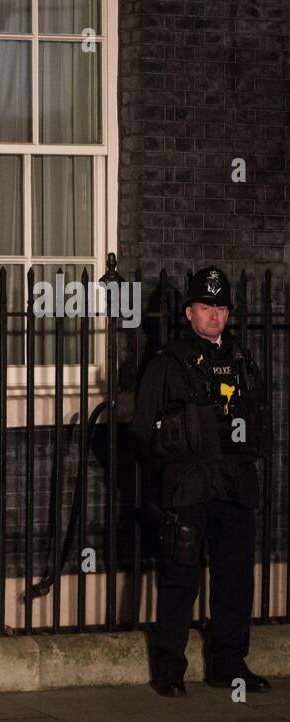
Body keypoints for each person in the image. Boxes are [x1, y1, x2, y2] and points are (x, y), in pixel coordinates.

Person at [131, 265, 273, 697]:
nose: (215, 315)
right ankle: (170, 670)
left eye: (222, 307)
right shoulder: (167, 364)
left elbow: (263, 422)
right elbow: (142, 433)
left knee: (235, 582)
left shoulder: (242, 361)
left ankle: (228, 665)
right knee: (179, 581)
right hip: (188, 488)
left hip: (234, 488)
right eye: (207, 306)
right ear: (189, 311)